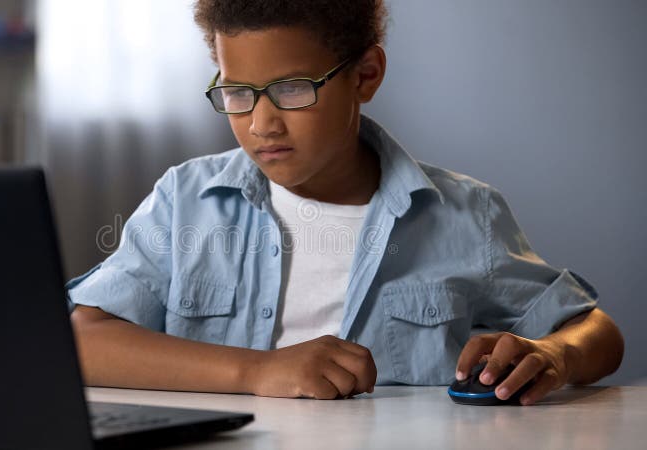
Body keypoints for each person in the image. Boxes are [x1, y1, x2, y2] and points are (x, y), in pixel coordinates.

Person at [67, 0, 623, 403]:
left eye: (292, 89)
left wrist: (555, 355)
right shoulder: (184, 201)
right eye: (237, 93)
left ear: (365, 75)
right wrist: (257, 372)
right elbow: (83, 342)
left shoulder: (464, 215)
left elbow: (596, 331)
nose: (262, 123)